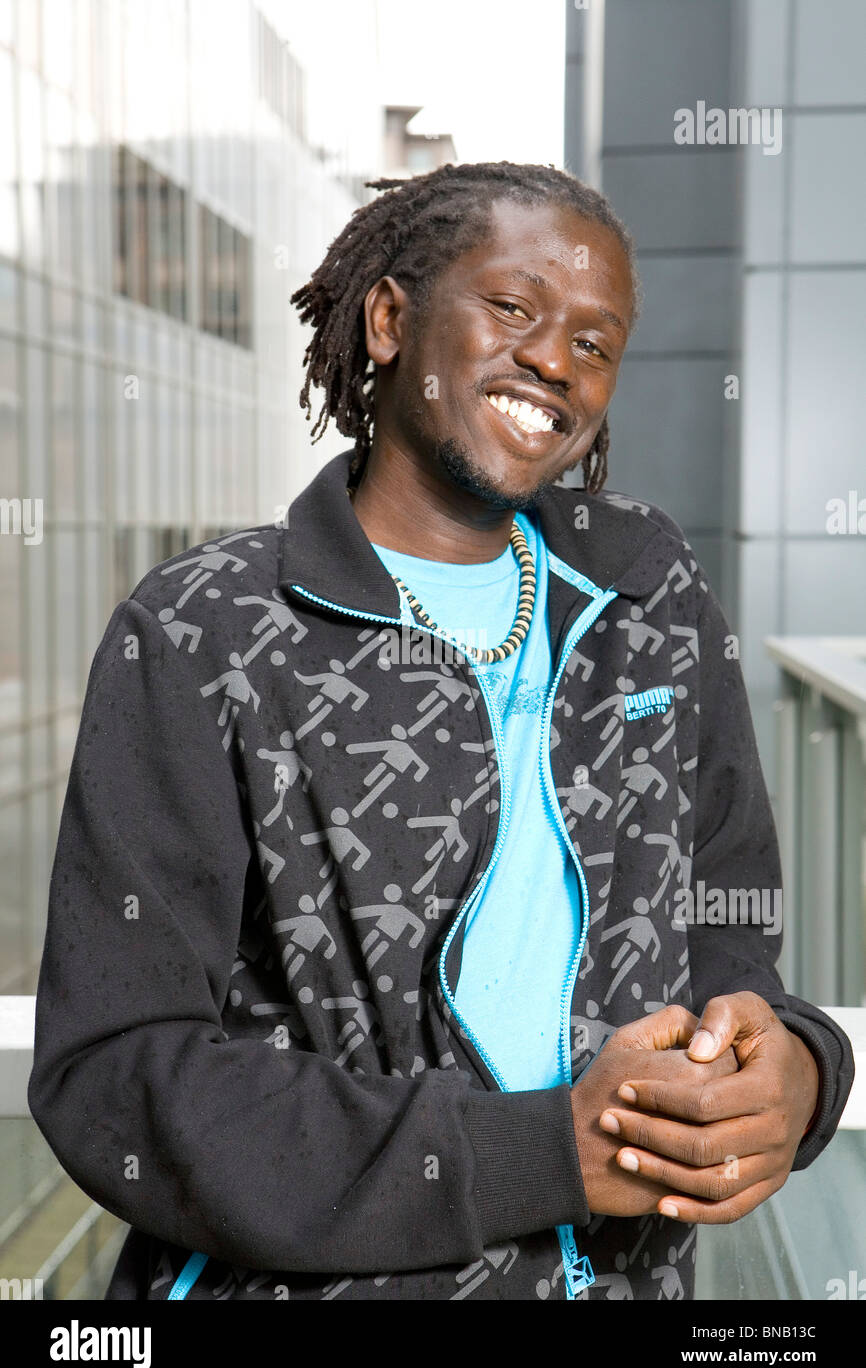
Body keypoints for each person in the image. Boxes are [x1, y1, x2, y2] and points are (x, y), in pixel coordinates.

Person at [28, 162, 854, 1301]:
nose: (555, 360)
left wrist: (801, 1070)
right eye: (512, 309)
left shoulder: (649, 597)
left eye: (594, 342)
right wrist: (547, 1152)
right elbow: (115, 1074)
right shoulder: (202, 632)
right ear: (387, 320)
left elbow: (727, 942)